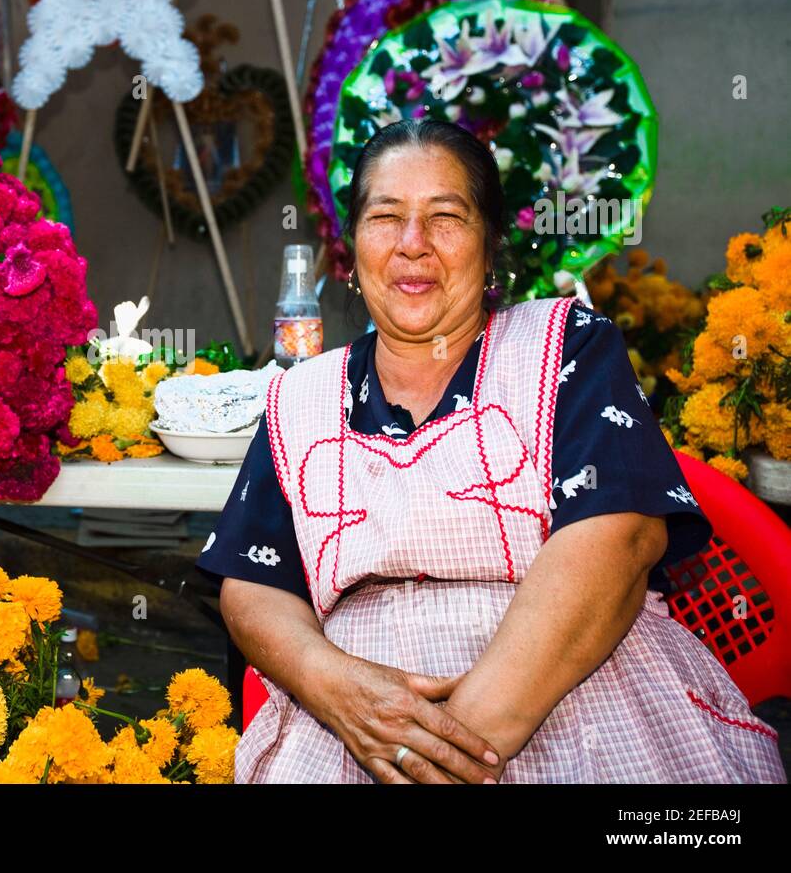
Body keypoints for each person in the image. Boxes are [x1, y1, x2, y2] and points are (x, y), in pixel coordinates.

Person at [198, 119, 785, 783]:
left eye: (445, 217)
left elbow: (617, 538)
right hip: (355, 728)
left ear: (490, 245)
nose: (412, 245)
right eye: (386, 217)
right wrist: (334, 687)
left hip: (574, 695)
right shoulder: (299, 397)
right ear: (351, 251)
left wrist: (453, 748)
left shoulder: (567, 346)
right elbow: (253, 582)